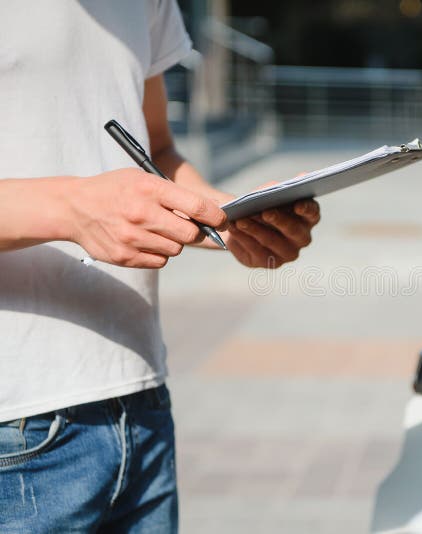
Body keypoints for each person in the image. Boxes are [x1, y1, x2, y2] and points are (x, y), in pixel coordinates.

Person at [0, 1, 320, 531]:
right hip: (16, 424)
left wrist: (233, 218)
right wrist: (71, 209)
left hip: (139, 399)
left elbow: (154, 151)